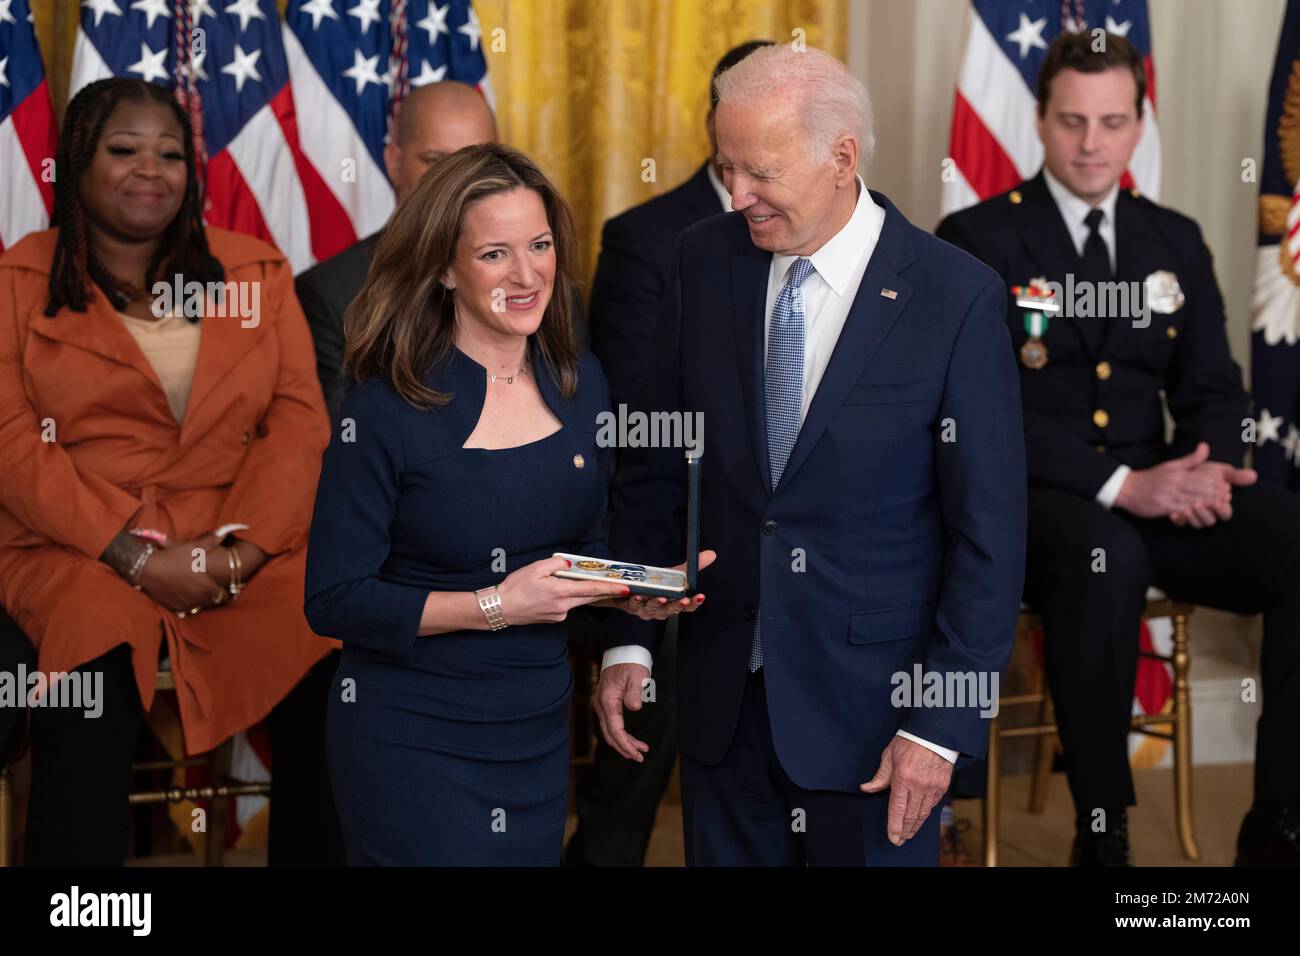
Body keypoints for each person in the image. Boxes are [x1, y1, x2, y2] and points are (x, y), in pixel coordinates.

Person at [596, 44, 1026, 866]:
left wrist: (938, 727)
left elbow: (990, 538)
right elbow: (653, 464)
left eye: (759, 171)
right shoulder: (700, 259)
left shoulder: (955, 297)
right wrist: (628, 636)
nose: (737, 193)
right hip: (723, 703)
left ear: (842, 156)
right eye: (727, 166)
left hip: (876, 723)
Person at [937, 30, 1300, 867]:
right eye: (1071, 121)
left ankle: (1278, 819)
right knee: (1106, 555)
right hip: (1046, 504)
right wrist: (1122, 485)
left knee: (1294, 541)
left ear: (1140, 125)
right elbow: (979, 414)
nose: (1091, 143)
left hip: (1164, 492)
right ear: (1039, 120)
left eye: (1111, 122)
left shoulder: (1172, 238)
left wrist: (1206, 467)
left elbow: (1214, 382)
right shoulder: (976, 237)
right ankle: (1103, 832)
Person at [303, 143, 710, 866]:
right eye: (495, 254)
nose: (528, 275)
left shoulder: (581, 382)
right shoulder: (384, 407)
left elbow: (582, 546)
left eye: (541, 244)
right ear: (442, 268)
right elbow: (334, 600)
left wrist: (632, 599)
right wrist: (495, 604)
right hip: (409, 736)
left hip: (534, 729)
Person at [0, 78, 339, 865]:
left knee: (326, 642)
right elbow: (14, 443)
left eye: (170, 153)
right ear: (78, 164)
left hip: (232, 537)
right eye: (123, 151)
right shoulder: (19, 279)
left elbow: (297, 423)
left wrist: (240, 554)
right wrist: (135, 556)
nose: (150, 169)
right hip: (73, 545)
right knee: (90, 667)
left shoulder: (255, 273)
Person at [569, 38, 774, 869]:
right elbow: (637, 427)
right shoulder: (649, 238)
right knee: (670, 664)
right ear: (716, 121)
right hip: (681, 522)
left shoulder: (856, 239)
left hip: (800, 542)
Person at [295, 81, 497, 418]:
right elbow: (347, 444)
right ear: (394, 162)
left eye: (475, 161)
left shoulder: (538, 277)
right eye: (435, 160)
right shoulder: (329, 294)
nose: (456, 182)